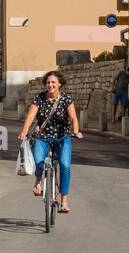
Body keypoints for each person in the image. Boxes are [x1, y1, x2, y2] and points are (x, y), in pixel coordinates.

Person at [18, 70, 82, 214]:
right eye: (48, 82)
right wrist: (24, 131)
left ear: (59, 84)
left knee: (65, 165)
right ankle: (38, 181)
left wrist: (76, 131)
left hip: (62, 137)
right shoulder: (39, 98)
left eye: (53, 82)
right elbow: (30, 117)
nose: (50, 85)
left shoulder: (66, 99)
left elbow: (73, 118)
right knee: (39, 162)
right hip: (42, 137)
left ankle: (64, 202)